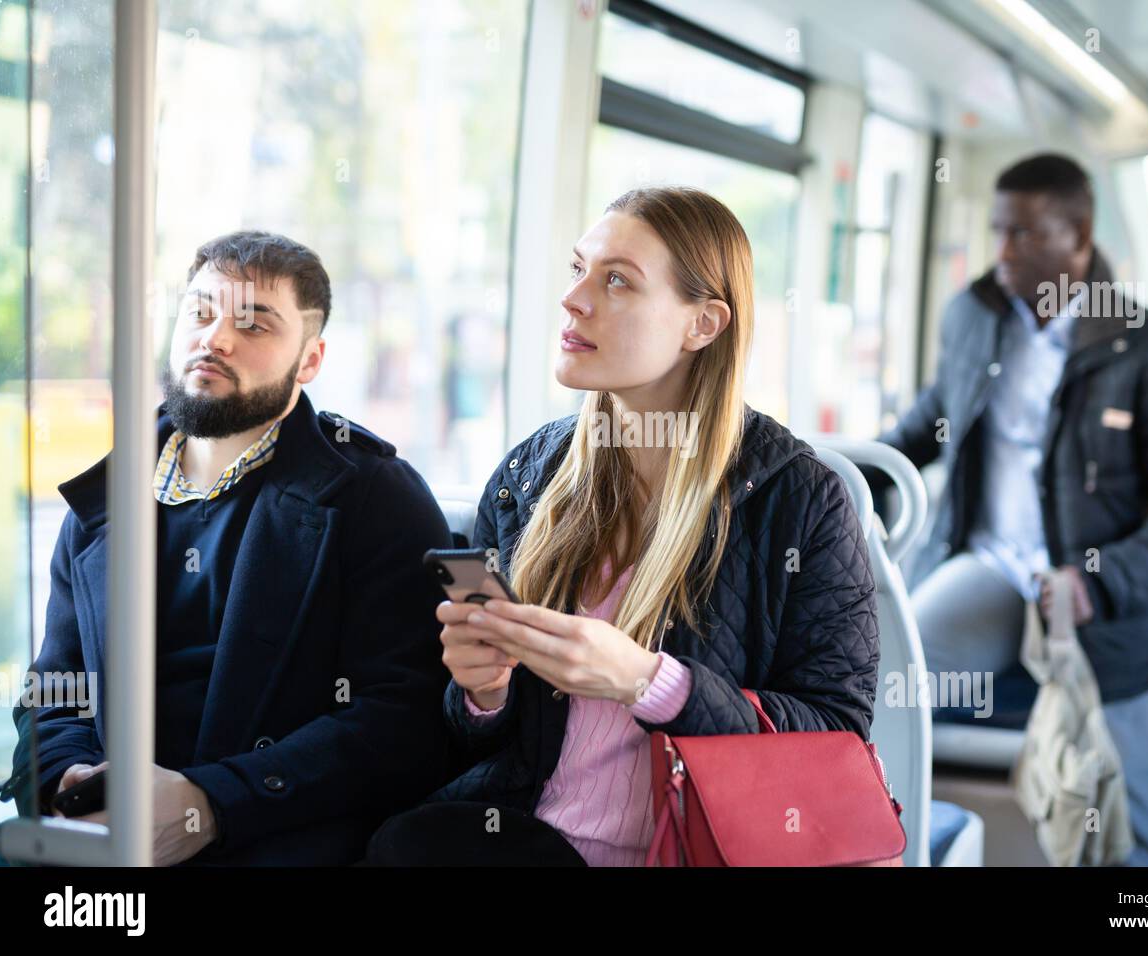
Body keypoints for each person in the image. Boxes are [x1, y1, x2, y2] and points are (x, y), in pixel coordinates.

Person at [365, 187, 880, 866]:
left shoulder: (802, 501)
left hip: (693, 849)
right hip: (527, 838)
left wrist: (650, 682)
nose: (575, 299)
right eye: (578, 270)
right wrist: (481, 695)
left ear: (703, 324)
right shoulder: (529, 473)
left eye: (616, 281)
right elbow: (471, 739)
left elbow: (835, 734)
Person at [4, 231, 456, 865]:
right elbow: (57, 684)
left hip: (275, 838)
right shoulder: (107, 492)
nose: (215, 337)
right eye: (200, 312)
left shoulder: (376, 497)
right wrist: (62, 781)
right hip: (97, 839)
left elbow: (403, 720)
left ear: (310, 361)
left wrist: (210, 804)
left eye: (254, 323)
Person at [877, 154, 1148, 866]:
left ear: (1078, 236)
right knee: (887, 688)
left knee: (1126, 829)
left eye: (1025, 235)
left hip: (1103, 602)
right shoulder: (973, 317)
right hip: (987, 568)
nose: (1004, 253)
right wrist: (820, 471)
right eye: (997, 232)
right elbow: (929, 423)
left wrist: (1096, 582)